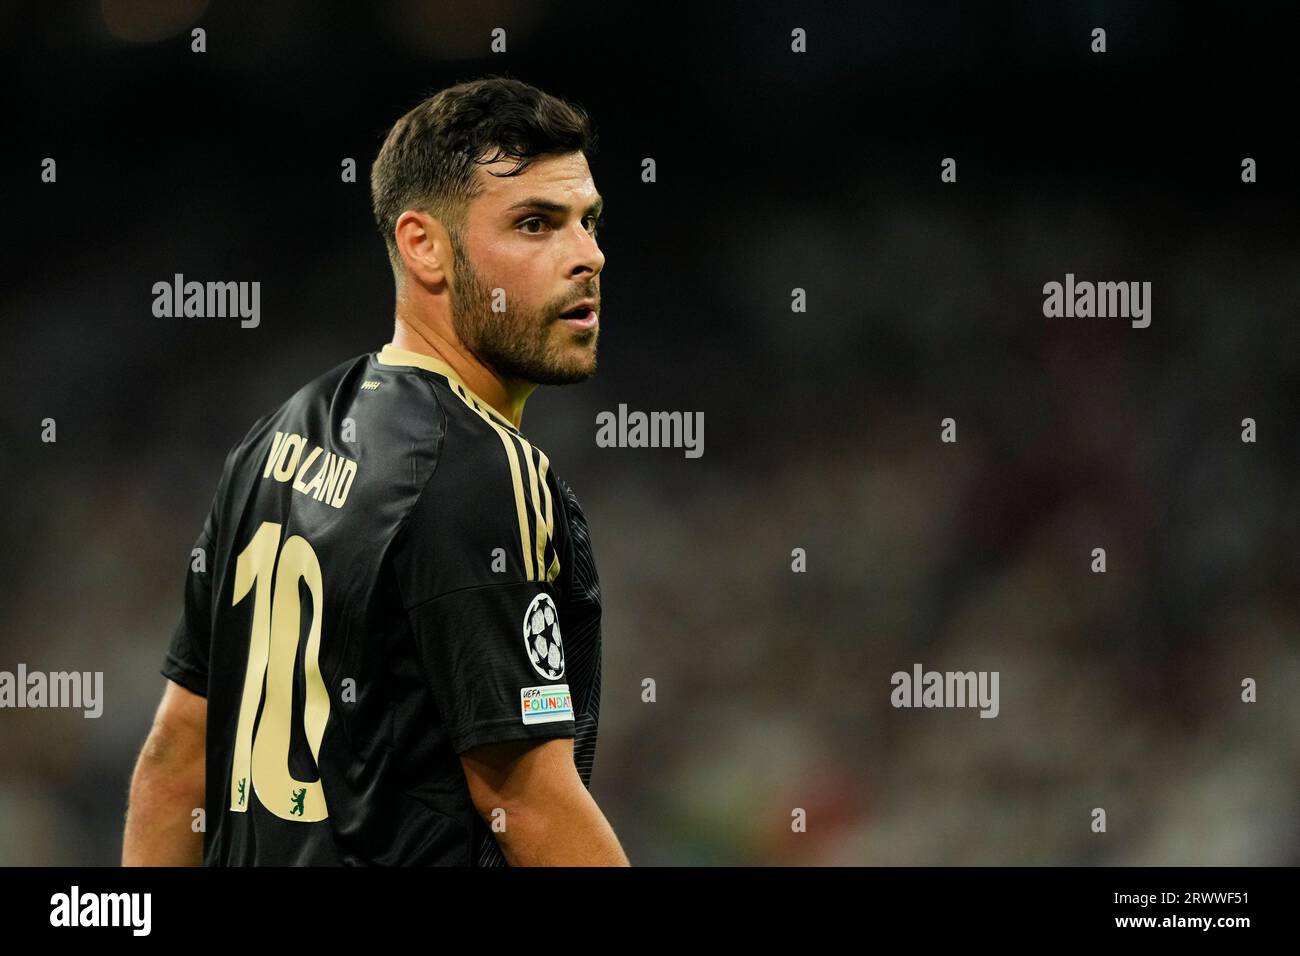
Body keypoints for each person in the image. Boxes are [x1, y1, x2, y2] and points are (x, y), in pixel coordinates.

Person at [122, 76, 627, 866]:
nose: (588, 257)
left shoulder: (279, 435)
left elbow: (173, 759)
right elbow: (526, 800)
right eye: (536, 224)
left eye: (588, 222)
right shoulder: (483, 472)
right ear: (423, 244)